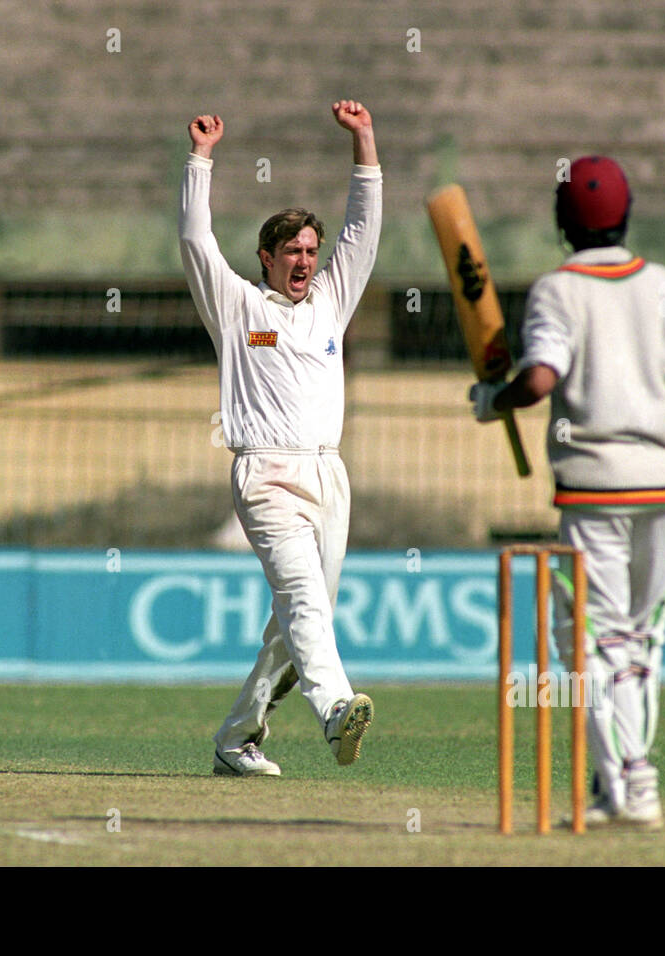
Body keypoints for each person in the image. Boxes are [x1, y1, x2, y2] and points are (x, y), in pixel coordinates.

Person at [470, 156, 665, 827]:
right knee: (638, 640)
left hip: (592, 489)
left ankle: (635, 781)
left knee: (594, 642)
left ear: (561, 221)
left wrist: (497, 399)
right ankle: (619, 783)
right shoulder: (662, 283)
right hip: (662, 484)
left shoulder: (558, 289)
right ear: (628, 213)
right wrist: (638, 401)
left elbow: (543, 377)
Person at [179, 102, 381, 776]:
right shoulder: (237, 306)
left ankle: (236, 739)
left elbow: (364, 230)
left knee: (296, 626)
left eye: (310, 251)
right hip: (264, 475)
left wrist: (364, 142)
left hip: (328, 475)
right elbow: (194, 240)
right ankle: (337, 709)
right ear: (266, 257)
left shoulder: (330, 300)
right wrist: (200, 161)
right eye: (291, 250)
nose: (304, 259)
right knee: (301, 600)